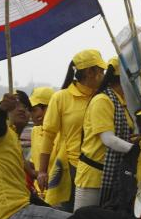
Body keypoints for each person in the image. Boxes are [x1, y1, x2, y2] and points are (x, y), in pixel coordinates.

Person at [0, 91, 71, 219]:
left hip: (5, 216)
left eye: (26, 107)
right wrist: (0, 109)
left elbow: (24, 192)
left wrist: (48, 208)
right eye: (15, 105)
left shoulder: (14, 142)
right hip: (7, 217)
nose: (21, 109)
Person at [36, 49, 106, 208]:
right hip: (72, 166)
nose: (103, 75)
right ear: (90, 72)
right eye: (101, 70)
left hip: (98, 166)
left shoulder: (102, 97)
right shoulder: (61, 98)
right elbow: (48, 135)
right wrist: (42, 171)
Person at [74, 58, 134, 211]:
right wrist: (135, 149)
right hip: (93, 177)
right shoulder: (103, 100)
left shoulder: (122, 102)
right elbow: (108, 139)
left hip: (112, 174)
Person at [26, 86, 54, 196]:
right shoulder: (35, 131)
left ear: (48, 109)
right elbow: (34, 163)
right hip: (39, 192)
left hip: (55, 192)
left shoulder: (61, 133)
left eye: (34, 110)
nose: (31, 115)